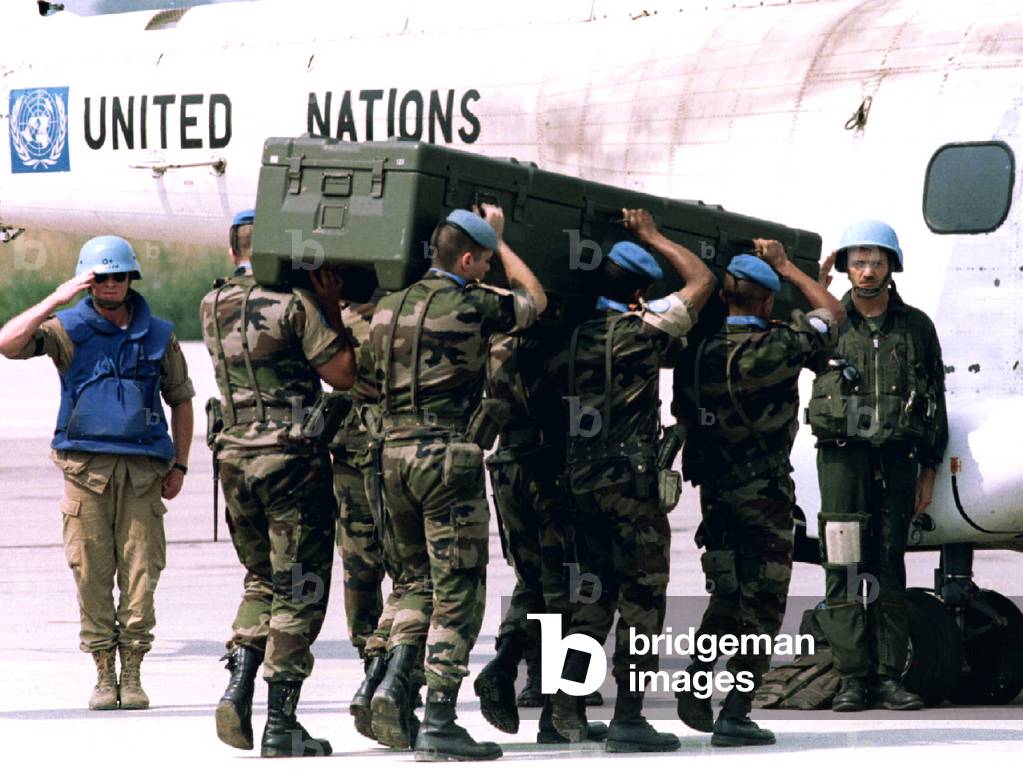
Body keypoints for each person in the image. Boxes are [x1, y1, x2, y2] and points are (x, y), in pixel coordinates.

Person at [356, 205, 546, 761]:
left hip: (390, 457)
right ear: (468, 258)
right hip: (445, 460)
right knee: (458, 590)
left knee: (413, 582)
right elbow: (534, 303)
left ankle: (388, 682)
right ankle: (439, 718)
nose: (488, 270)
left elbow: (367, 382)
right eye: (483, 261)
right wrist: (504, 243)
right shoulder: (472, 303)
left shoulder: (387, 308)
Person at [0, 235, 194, 710]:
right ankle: (103, 672)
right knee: (90, 571)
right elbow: (7, 343)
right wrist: (57, 296)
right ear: (89, 281)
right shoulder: (67, 329)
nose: (110, 285)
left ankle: (133, 672)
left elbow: (182, 400)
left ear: (131, 279)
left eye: (118, 276)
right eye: (100, 277)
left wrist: (181, 464)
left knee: (142, 574)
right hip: (86, 474)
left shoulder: (158, 333)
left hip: (144, 472)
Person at [551, 209, 715, 752]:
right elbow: (702, 282)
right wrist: (653, 235)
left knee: (591, 597)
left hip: (580, 481)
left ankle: (567, 707)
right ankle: (628, 715)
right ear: (641, 291)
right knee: (643, 598)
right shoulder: (641, 331)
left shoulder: (572, 340)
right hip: (629, 487)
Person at [673, 246, 844, 746]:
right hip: (764, 492)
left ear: (724, 298)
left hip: (716, 492)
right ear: (767, 302)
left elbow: (685, 415)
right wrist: (792, 269)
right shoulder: (778, 346)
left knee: (727, 593)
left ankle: (696, 680)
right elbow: (831, 315)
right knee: (764, 603)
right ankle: (736, 711)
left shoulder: (695, 354)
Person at [204, 209, 356, 757]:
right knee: (300, 587)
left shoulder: (211, 302)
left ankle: (237, 685)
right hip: (291, 462)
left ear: (232, 253)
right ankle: (281, 723)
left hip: (234, 459)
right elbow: (343, 375)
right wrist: (333, 309)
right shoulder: (292, 304)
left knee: (260, 579)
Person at [810, 220, 948, 712]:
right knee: (845, 563)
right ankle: (851, 678)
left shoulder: (916, 328)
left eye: (876, 262)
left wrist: (930, 469)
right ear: (846, 267)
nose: (866, 272)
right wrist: (817, 286)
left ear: (892, 267)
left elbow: (935, 398)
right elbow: (788, 337)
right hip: (842, 459)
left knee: (889, 561)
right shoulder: (827, 323)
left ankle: (888, 677)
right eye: (858, 261)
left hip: (898, 458)